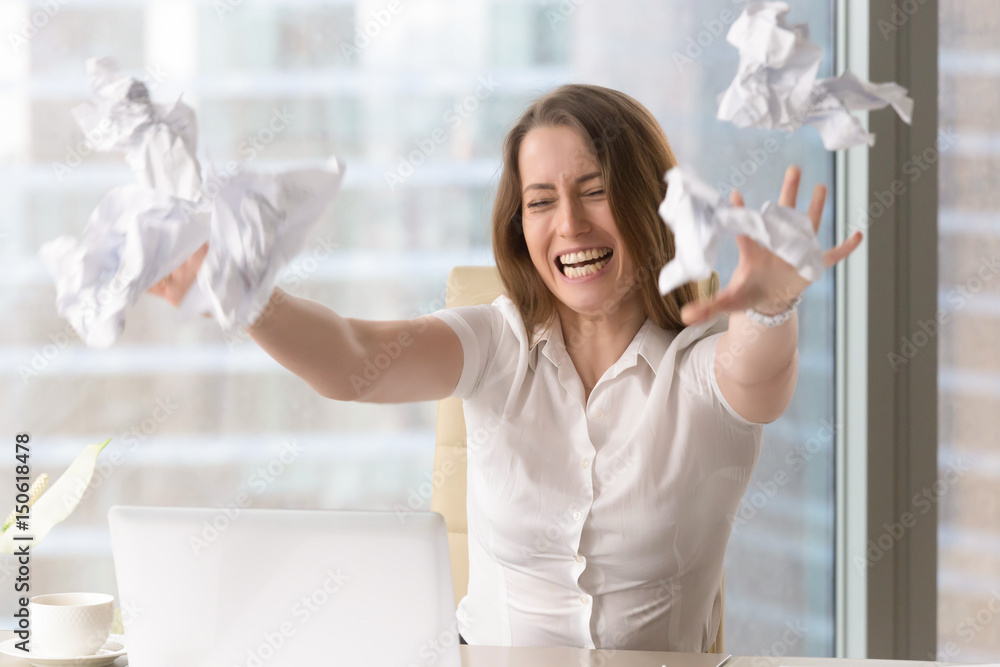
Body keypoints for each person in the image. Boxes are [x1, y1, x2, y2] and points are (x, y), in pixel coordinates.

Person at [150, 84, 861, 651]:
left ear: (651, 202)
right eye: (541, 201)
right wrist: (246, 298)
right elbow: (355, 362)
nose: (571, 226)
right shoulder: (497, 340)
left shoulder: (701, 366)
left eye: (593, 189)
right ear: (518, 226)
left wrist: (769, 307)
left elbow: (758, 377)